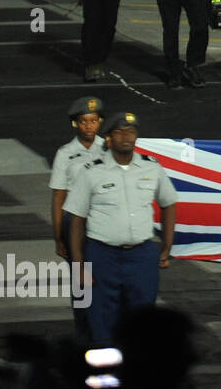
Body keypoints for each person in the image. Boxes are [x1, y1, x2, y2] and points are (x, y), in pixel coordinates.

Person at [63, 111, 177, 348]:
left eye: (131, 132)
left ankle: (136, 373)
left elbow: (168, 203)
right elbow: (76, 220)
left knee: (143, 317)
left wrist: (166, 246)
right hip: (102, 254)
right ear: (108, 138)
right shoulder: (91, 172)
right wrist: (79, 263)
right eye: (119, 132)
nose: (126, 136)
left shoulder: (152, 168)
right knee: (101, 318)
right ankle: (105, 372)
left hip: (141, 254)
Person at [49, 97, 105, 338]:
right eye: (84, 121)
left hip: (103, 221)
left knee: (105, 278)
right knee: (81, 281)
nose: (89, 126)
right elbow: (59, 197)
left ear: (100, 122)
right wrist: (58, 236)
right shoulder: (65, 154)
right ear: (76, 124)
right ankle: (84, 330)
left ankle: (104, 328)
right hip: (76, 225)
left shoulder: (110, 148)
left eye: (93, 121)